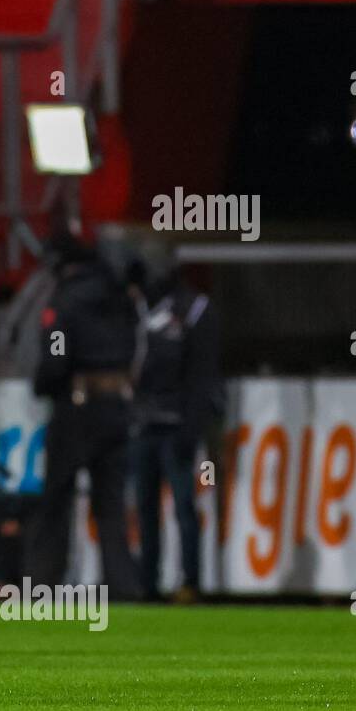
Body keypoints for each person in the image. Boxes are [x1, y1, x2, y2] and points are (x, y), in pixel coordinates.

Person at [24, 231, 144, 600]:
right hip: (117, 406)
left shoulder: (67, 300)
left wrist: (43, 384)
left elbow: (56, 356)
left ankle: (43, 583)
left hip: (76, 408)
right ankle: (123, 586)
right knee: (109, 503)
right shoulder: (123, 298)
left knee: (57, 498)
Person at [133, 250, 223, 603]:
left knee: (184, 506)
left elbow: (203, 374)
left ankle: (190, 581)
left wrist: (192, 424)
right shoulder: (143, 310)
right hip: (146, 422)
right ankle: (148, 583)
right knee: (145, 508)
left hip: (176, 424)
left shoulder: (196, 310)